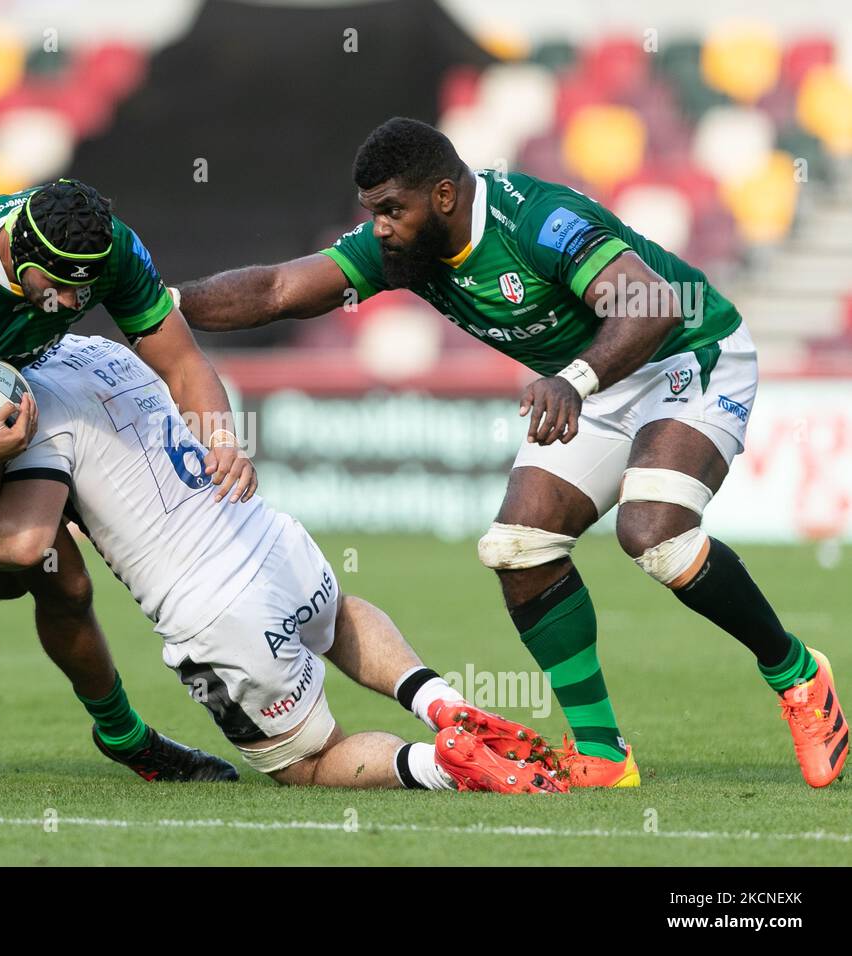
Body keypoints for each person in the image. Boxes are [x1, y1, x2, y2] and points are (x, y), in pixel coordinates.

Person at [173, 116, 846, 789]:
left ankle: (797, 676)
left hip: (683, 355)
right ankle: (604, 754)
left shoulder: (536, 221)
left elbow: (654, 305)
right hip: (593, 378)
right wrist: (163, 303)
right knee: (519, 550)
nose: (380, 228)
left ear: (443, 196)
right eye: (371, 213)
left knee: (654, 535)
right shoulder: (402, 251)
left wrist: (574, 381)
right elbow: (277, 291)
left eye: (391, 211)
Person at [0, 334, 564, 793]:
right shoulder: (100, 347)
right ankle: (442, 703)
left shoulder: (37, 416)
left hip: (215, 610)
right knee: (337, 618)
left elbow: (23, 541)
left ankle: (442, 765)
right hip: (266, 537)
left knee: (312, 764)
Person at [0, 177, 253, 781]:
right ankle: (126, 737)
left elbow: (182, 360)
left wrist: (222, 438)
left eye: (79, 289)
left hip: (15, 384)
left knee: (28, 576)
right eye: (55, 286)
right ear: (17, 253)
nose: (67, 301)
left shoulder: (109, 249)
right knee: (47, 570)